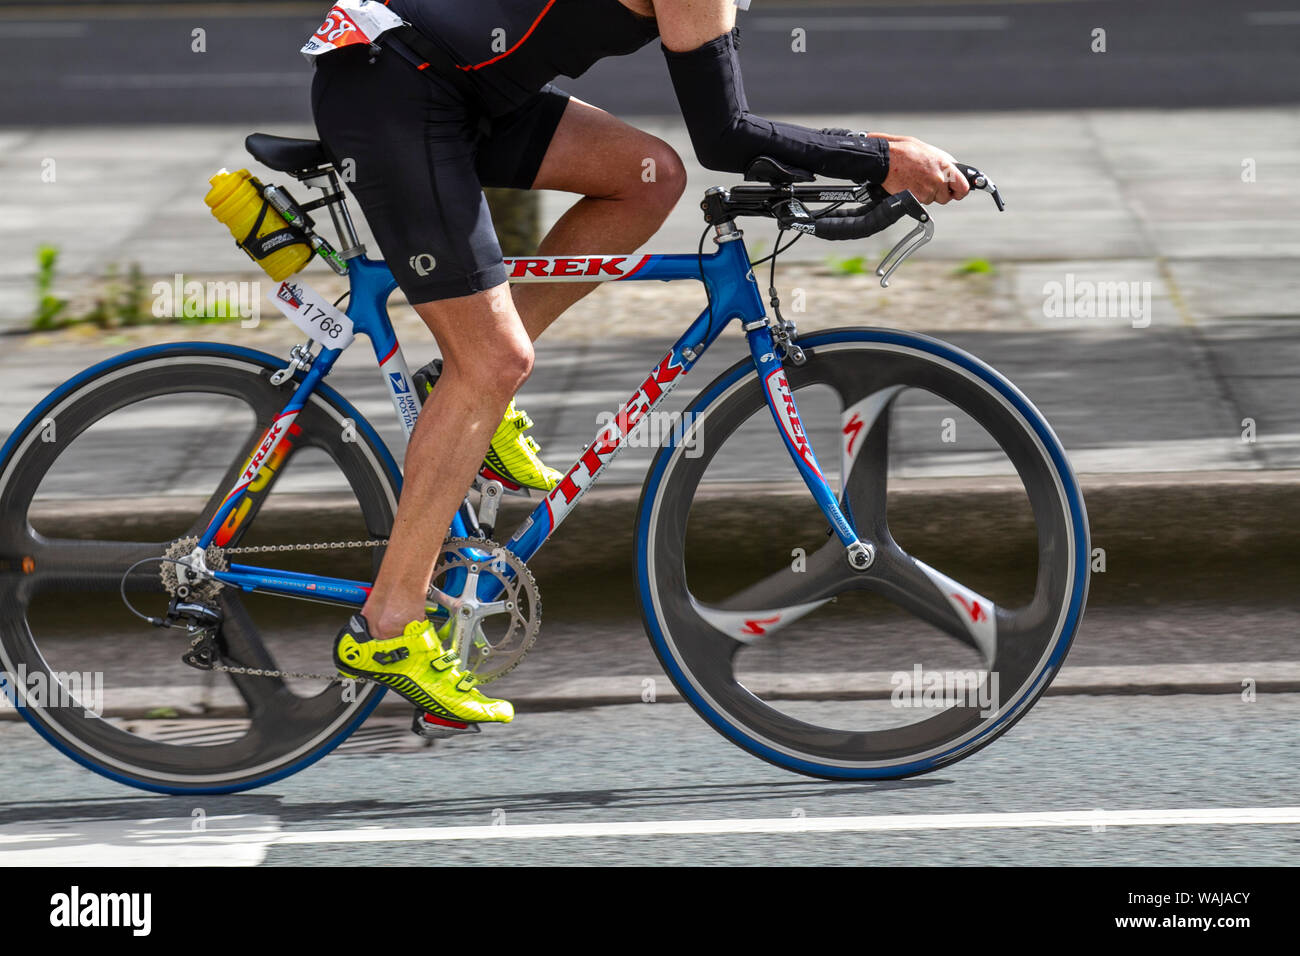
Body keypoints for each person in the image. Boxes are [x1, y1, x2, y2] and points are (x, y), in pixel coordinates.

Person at [309, 0, 970, 727]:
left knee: (649, 176)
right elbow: (728, 133)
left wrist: (874, 150)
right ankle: (391, 625)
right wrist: (880, 160)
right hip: (400, 89)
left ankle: (463, 391)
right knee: (494, 360)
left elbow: (726, 109)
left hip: (462, 90)